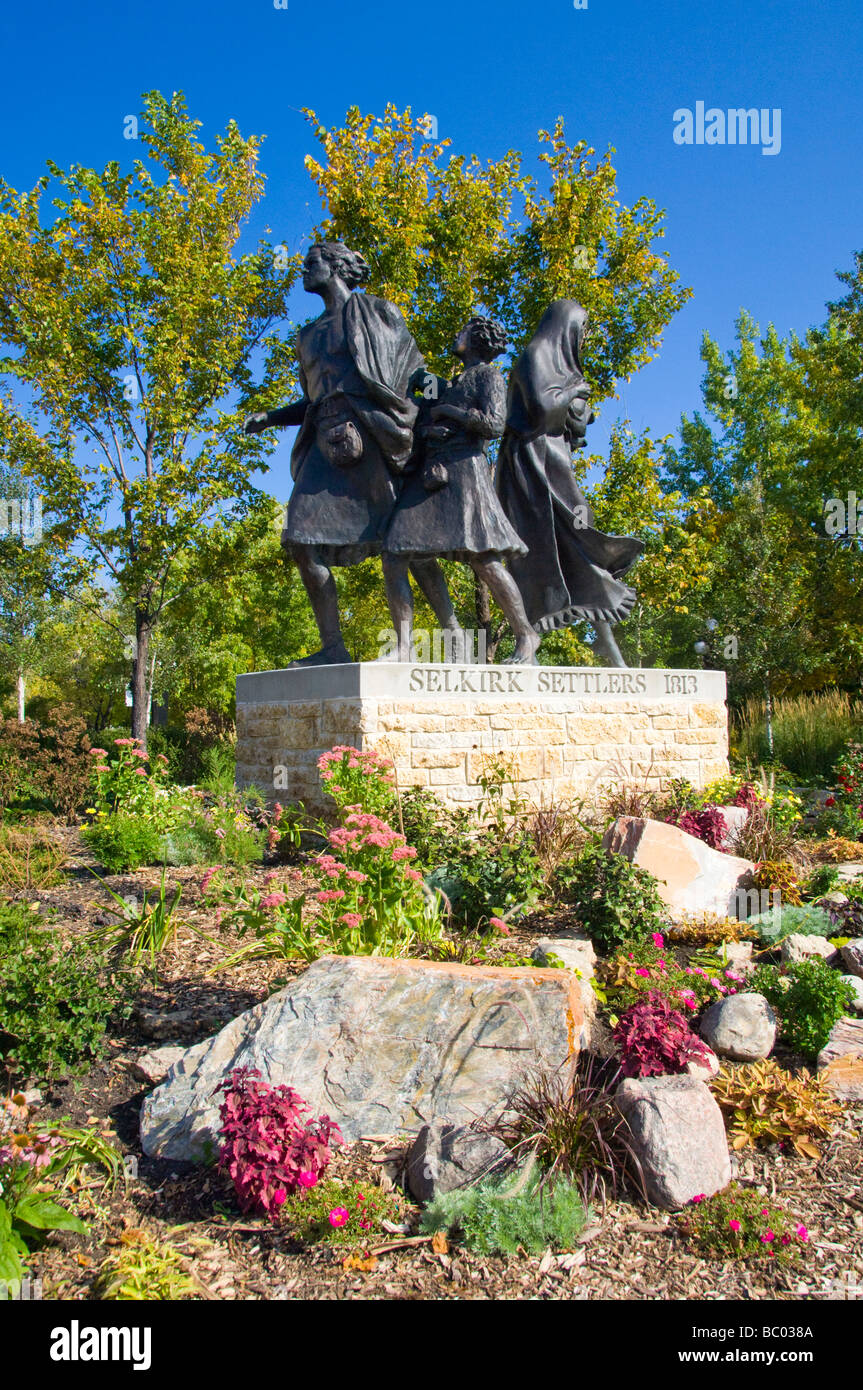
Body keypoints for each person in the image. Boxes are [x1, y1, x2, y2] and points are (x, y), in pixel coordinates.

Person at [244, 241, 424, 666]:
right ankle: (332, 647)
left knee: (396, 543)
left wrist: (445, 404)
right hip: (323, 441)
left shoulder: (378, 312)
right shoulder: (306, 336)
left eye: (311, 264)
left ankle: (405, 646)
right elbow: (313, 399)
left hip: (372, 434)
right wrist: (271, 417)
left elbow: (412, 371)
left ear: (338, 266)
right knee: (300, 541)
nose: (303, 272)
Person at [382, 316, 540, 664]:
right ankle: (404, 648)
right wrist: (430, 429)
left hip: (466, 473)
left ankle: (527, 635)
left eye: (463, 331)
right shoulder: (448, 381)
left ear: (478, 339)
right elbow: (428, 420)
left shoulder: (489, 376)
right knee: (395, 552)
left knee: (485, 560)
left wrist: (449, 411)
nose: (457, 335)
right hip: (433, 473)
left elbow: (494, 424)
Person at [495, 299, 644, 661]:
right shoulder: (534, 356)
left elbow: (574, 428)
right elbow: (543, 411)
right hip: (529, 471)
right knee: (531, 554)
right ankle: (527, 641)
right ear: (565, 327)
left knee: (581, 545)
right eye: (582, 329)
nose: (584, 337)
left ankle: (607, 643)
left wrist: (579, 406)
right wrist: (575, 394)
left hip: (557, 469)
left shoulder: (564, 367)